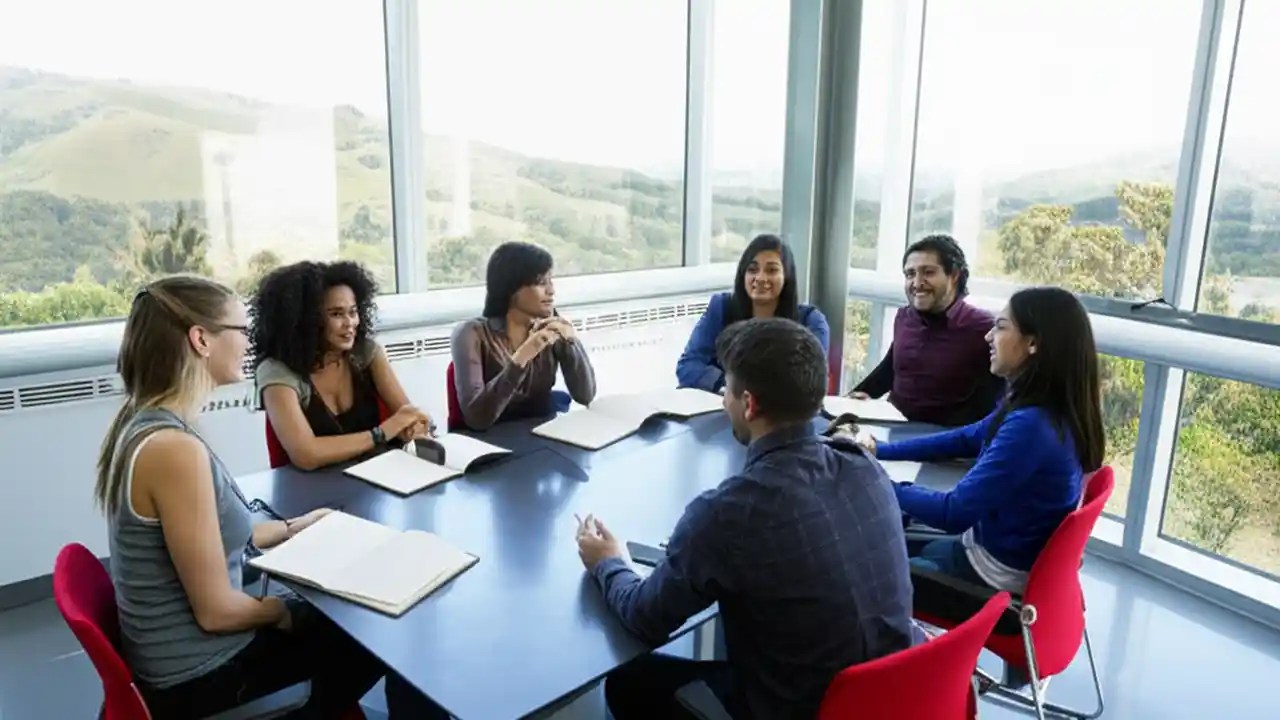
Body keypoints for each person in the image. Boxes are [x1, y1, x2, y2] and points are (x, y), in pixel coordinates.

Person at [96, 275, 447, 719]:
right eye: (240, 332)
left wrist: (290, 528)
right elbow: (217, 612)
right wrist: (282, 611)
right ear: (201, 339)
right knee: (387, 629)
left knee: (355, 617)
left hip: (181, 658)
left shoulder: (146, 423)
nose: (247, 344)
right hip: (202, 674)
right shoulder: (173, 450)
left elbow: (208, 534)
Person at [577, 317, 919, 719]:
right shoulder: (863, 466)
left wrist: (609, 562)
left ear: (749, 403)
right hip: (896, 695)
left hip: (804, 707)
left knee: (629, 683)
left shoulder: (727, 512)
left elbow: (644, 617)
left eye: (727, 391)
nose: (724, 400)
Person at [856, 287, 1105, 594]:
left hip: (988, 573)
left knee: (856, 559)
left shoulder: (1032, 426)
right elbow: (967, 438)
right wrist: (880, 450)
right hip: (991, 550)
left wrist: (871, 480)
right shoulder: (1046, 406)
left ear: (1033, 343)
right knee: (889, 526)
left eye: (1000, 327)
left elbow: (953, 513)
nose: (988, 337)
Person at [250, 261, 431, 470]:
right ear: (305, 321)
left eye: (353, 312)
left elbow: (406, 417)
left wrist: (412, 428)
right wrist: (382, 433)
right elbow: (306, 454)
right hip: (309, 492)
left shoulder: (367, 353)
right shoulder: (277, 371)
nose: (350, 323)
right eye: (336, 314)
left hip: (375, 480)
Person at [851, 235, 1003, 426]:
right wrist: (851, 402)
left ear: (954, 275)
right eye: (910, 274)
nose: (917, 282)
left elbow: (999, 402)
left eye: (928, 272)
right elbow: (892, 369)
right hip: (892, 428)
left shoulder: (984, 329)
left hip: (944, 443)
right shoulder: (905, 317)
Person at [450, 241, 596, 430]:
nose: (551, 290)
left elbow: (585, 396)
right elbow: (478, 418)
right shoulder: (471, 333)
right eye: (541, 282)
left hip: (543, 435)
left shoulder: (551, 326)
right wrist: (523, 356)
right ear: (511, 287)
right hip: (491, 443)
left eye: (551, 281)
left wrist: (571, 343)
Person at [676, 234, 830, 393]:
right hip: (722, 404)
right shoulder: (722, 307)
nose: (761, 278)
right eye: (752, 269)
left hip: (781, 413)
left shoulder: (810, 321)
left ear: (787, 276)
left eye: (772, 270)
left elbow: (812, 382)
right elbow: (688, 366)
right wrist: (727, 388)